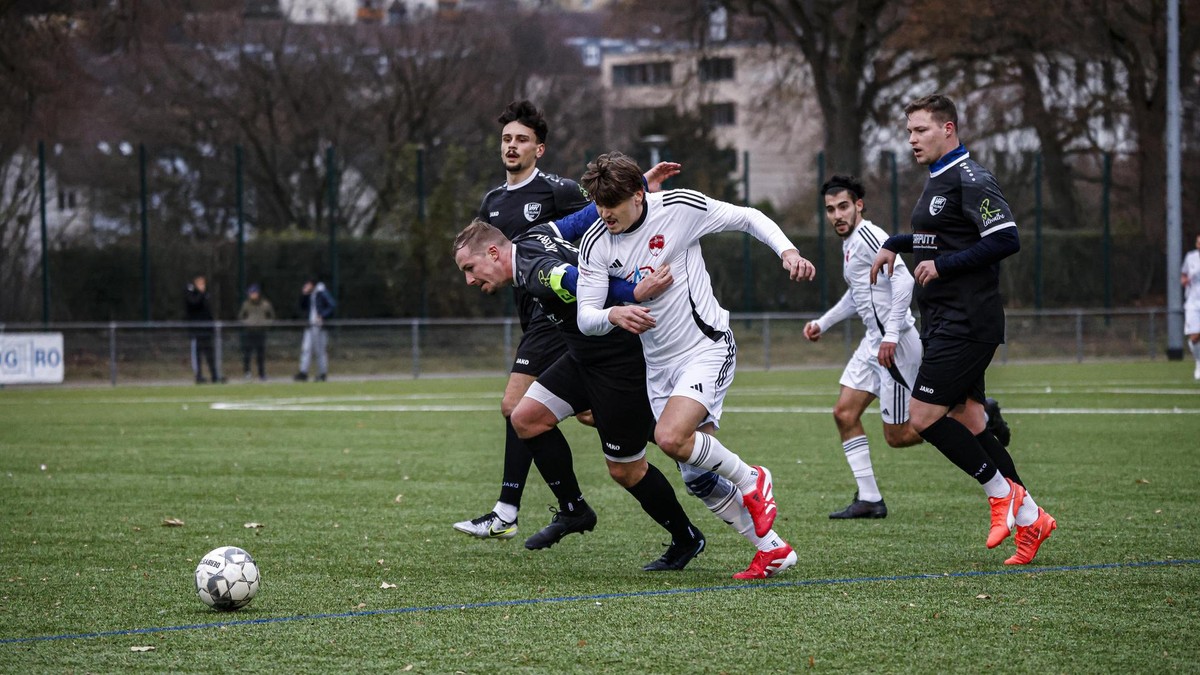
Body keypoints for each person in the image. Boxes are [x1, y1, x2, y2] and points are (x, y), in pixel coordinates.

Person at [575, 151, 816, 579]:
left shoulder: (680, 209)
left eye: (612, 204)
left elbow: (748, 217)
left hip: (707, 347)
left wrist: (787, 250)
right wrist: (615, 313)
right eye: (598, 204)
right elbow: (586, 316)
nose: (604, 213)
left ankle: (753, 478)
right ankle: (772, 550)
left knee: (670, 437)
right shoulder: (595, 242)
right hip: (659, 366)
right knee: (698, 479)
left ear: (639, 194)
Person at [453, 99, 680, 540]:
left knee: (517, 409)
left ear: (540, 148)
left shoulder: (556, 190)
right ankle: (684, 443)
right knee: (595, 416)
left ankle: (514, 509)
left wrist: (639, 196)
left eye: (521, 139)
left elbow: (597, 214)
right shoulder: (493, 202)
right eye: (506, 139)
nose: (511, 146)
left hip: (561, 314)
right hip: (552, 320)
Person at [453, 218, 709, 568]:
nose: (469, 279)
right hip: (581, 359)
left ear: (494, 252)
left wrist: (633, 292)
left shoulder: (536, 272)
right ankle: (574, 510)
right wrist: (641, 186)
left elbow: (580, 281)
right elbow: (579, 219)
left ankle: (686, 536)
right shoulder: (533, 235)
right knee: (525, 418)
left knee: (625, 470)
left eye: (470, 268)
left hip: (618, 364)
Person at [869, 94, 1055, 565]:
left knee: (923, 417)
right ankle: (1032, 519)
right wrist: (896, 243)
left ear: (948, 128)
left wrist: (944, 266)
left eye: (921, 130)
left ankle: (1001, 494)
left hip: (968, 321)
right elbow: (939, 238)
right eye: (909, 131)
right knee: (973, 422)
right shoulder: (937, 180)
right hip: (944, 319)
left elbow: (1005, 239)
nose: (912, 139)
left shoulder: (972, 179)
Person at [804, 175, 924, 519]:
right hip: (874, 344)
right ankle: (870, 499)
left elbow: (905, 279)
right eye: (830, 209)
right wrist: (823, 323)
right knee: (844, 413)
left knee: (898, 436)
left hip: (895, 345)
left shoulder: (871, 235)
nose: (837, 215)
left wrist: (890, 335)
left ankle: (975, 421)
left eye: (843, 206)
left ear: (858, 205)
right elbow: (858, 294)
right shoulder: (849, 243)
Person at [184, 275, 222, 384]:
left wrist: (212, 326)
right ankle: (198, 376)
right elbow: (194, 304)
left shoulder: (206, 295)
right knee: (197, 355)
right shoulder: (191, 294)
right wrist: (201, 293)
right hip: (196, 330)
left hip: (207, 329)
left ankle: (215, 375)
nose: (202, 286)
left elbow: (208, 312)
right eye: (200, 283)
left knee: (210, 354)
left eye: (203, 283)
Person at [295, 277, 335, 382]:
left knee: (320, 350)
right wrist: (304, 294)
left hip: (319, 326)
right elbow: (302, 306)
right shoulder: (309, 295)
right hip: (310, 325)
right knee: (306, 349)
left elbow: (332, 305)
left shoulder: (321, 292)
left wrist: (322, 315)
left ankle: (322, 373)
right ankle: (303, 372)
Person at [238, 283, 275, 381]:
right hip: (249, 332)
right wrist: (247, 323)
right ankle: (247, 373)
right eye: (251, 293)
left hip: (261, 331)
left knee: (261, 354)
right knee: (247, 354)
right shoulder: (246, 304)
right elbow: (241, 316)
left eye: (254, 293)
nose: (252, 295)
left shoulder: (265, 304)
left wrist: (266, 324)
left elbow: (271, 316)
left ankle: (261, 374)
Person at [1182, 233, 1200, 381]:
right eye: (1198, 242)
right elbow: (1183, 277)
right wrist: (1186, 280)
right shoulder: (1190, 257)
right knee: (1194, 337)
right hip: (1193, 302)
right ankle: (1199, 362)